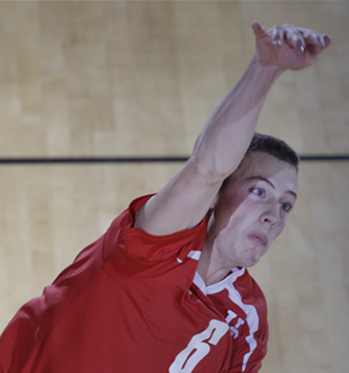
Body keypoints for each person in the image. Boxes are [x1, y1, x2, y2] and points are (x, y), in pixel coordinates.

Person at [0, 22, 331, 372]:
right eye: (259, 191)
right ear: (216, 196)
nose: (273, 215)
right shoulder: (152, 249)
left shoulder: (247, 323)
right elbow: (207, 166)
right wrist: (265, 69)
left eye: (285, 205)